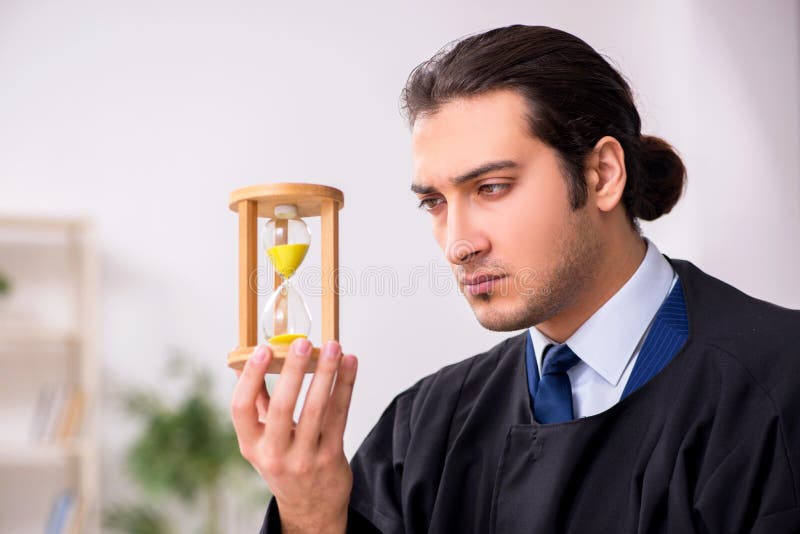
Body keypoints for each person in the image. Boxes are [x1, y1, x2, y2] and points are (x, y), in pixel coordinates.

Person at [231, 25, 800, 533]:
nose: (458, 242)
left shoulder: (781, 385)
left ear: (602, 174)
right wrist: (311, 512)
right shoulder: (424, 423)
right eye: (434, 201)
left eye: (491, 188)